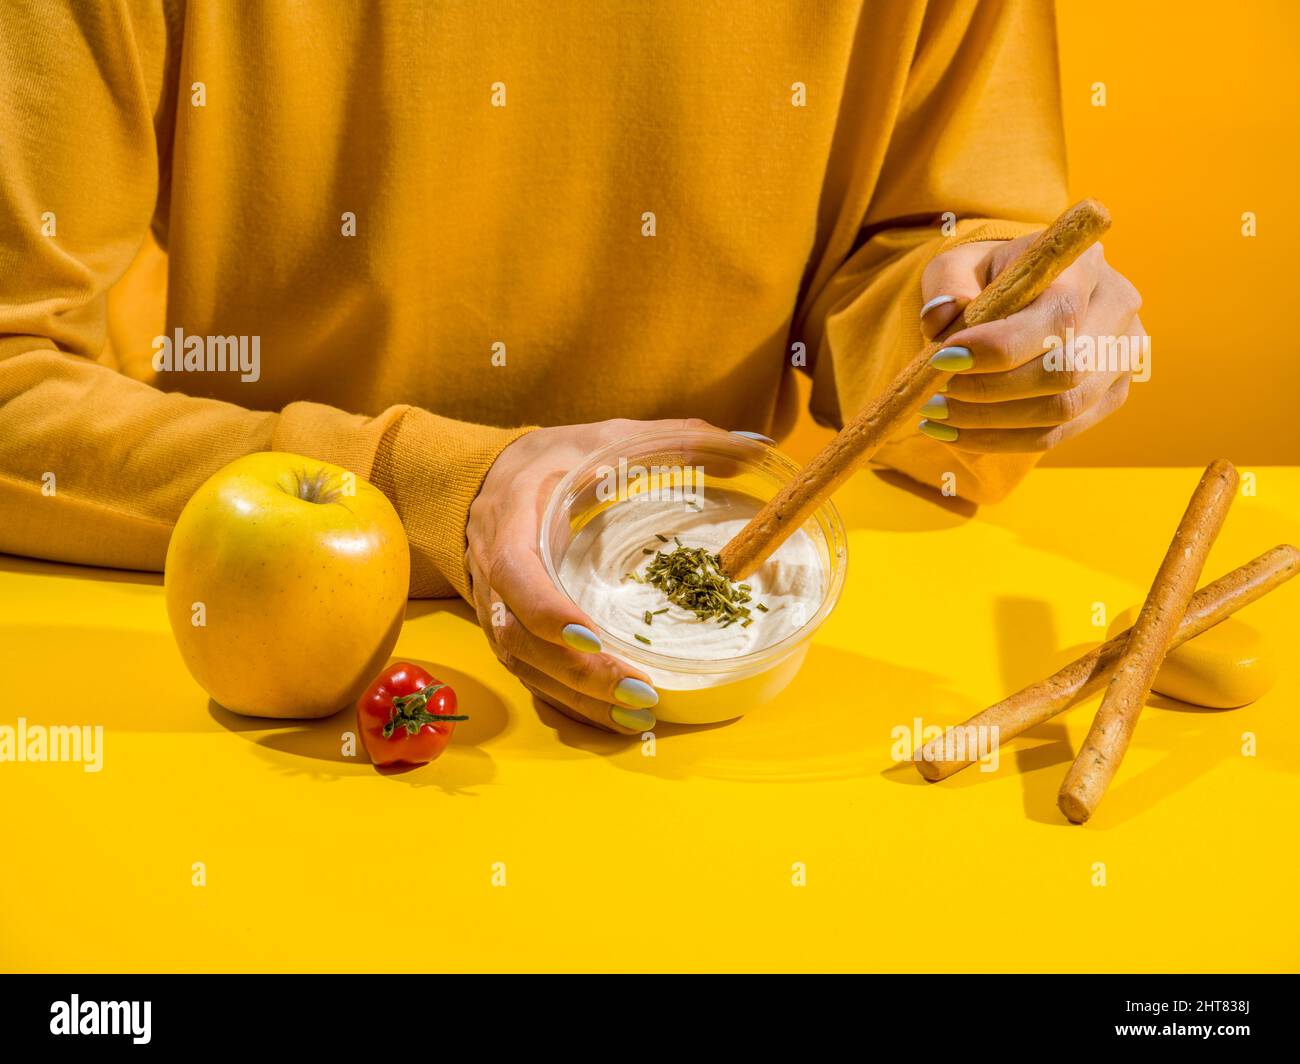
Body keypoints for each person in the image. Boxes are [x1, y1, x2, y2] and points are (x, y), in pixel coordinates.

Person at [0, 1, 1143, 734]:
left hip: (714, 678)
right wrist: (429, 480)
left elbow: (904, 275)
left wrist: (987, 334)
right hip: (292, 676)